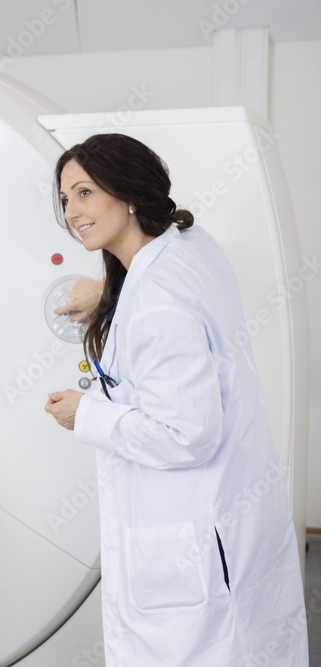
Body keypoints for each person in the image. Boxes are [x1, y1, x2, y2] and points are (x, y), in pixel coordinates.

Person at [43, 133, 308, 665]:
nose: (73, 211)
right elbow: (160, 265)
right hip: (232, 514)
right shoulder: (187, 245)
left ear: (128, 192)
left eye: (86, 193)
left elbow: (188, 436)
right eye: (66, 198)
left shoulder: (157, 301)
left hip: (193, 541)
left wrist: (87, 414)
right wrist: (109, 289)